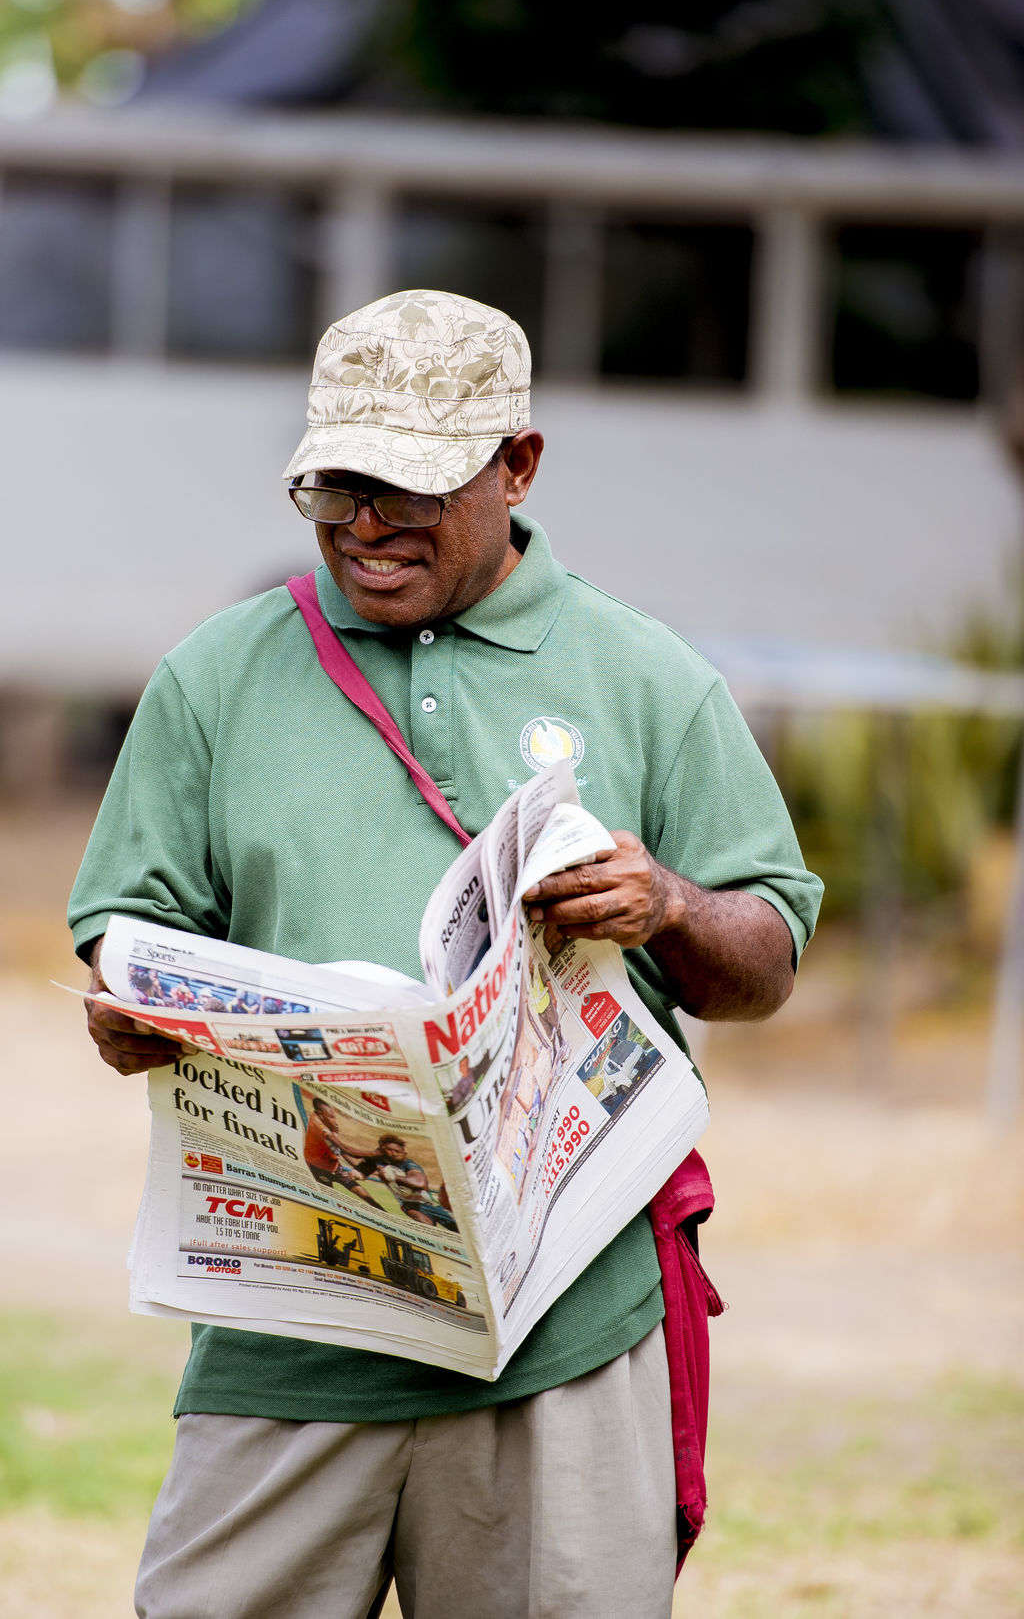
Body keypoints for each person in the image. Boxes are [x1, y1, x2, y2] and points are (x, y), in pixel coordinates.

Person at [70, 287, 823, 1619]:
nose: (365, 524)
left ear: (519, 464)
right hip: (289, 1326)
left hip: (562, 1340)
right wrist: (131, 1006)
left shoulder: (647, 679)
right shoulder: (216, 677)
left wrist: (672, 904)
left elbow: (764, 954)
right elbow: (130, 930)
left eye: (408, 488)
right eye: (338, 485)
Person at [356, 1134, 458, 1231]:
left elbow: (421, 1184)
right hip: (408, 1205)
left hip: (428, 1203)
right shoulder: (380, 1163)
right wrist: (341, 1148)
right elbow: (356, 1155)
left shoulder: (408, 1165)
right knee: (428, 1230)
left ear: (404, 1153)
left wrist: (392, 1177)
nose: (394, 1153)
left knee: (461, 1230)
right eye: (390, 1150)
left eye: (397, 1151)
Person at [303, 1096, 385, 1209]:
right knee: (327, 1203)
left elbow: (340, 1151)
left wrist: (359, 1168)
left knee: (367, 1198)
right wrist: (374, 1153)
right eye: (331, 1117)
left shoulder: (322, 1122)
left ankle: (382, 1212)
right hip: (318, 1168)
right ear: (320, 1114)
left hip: (335, 1167)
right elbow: (346, 1149)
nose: (334, 1121)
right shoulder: (320, 1128)